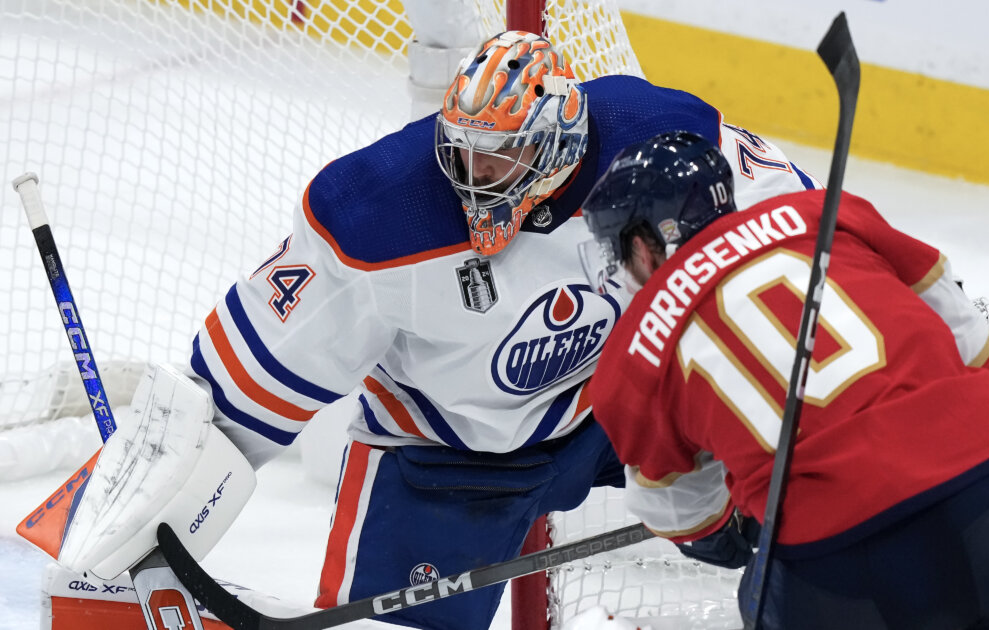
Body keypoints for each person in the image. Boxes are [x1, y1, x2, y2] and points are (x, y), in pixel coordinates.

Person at [185, 31, 822, 630]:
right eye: (463, 150)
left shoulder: (656, 135)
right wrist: (163, 506)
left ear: (557, 146)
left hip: (613, 408)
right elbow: (237, 393)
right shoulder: (376, 216)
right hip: (445, 456)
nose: (473, 174)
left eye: (497, 157)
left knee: (814, 468)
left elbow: (800, 229)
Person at [578, 130, 989, 629]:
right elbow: (971, 337)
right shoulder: (827, 214)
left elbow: (680, 513)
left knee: (760, 588)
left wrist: (734, 534)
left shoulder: (635, 348)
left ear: (644, 245)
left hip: (843, 568)